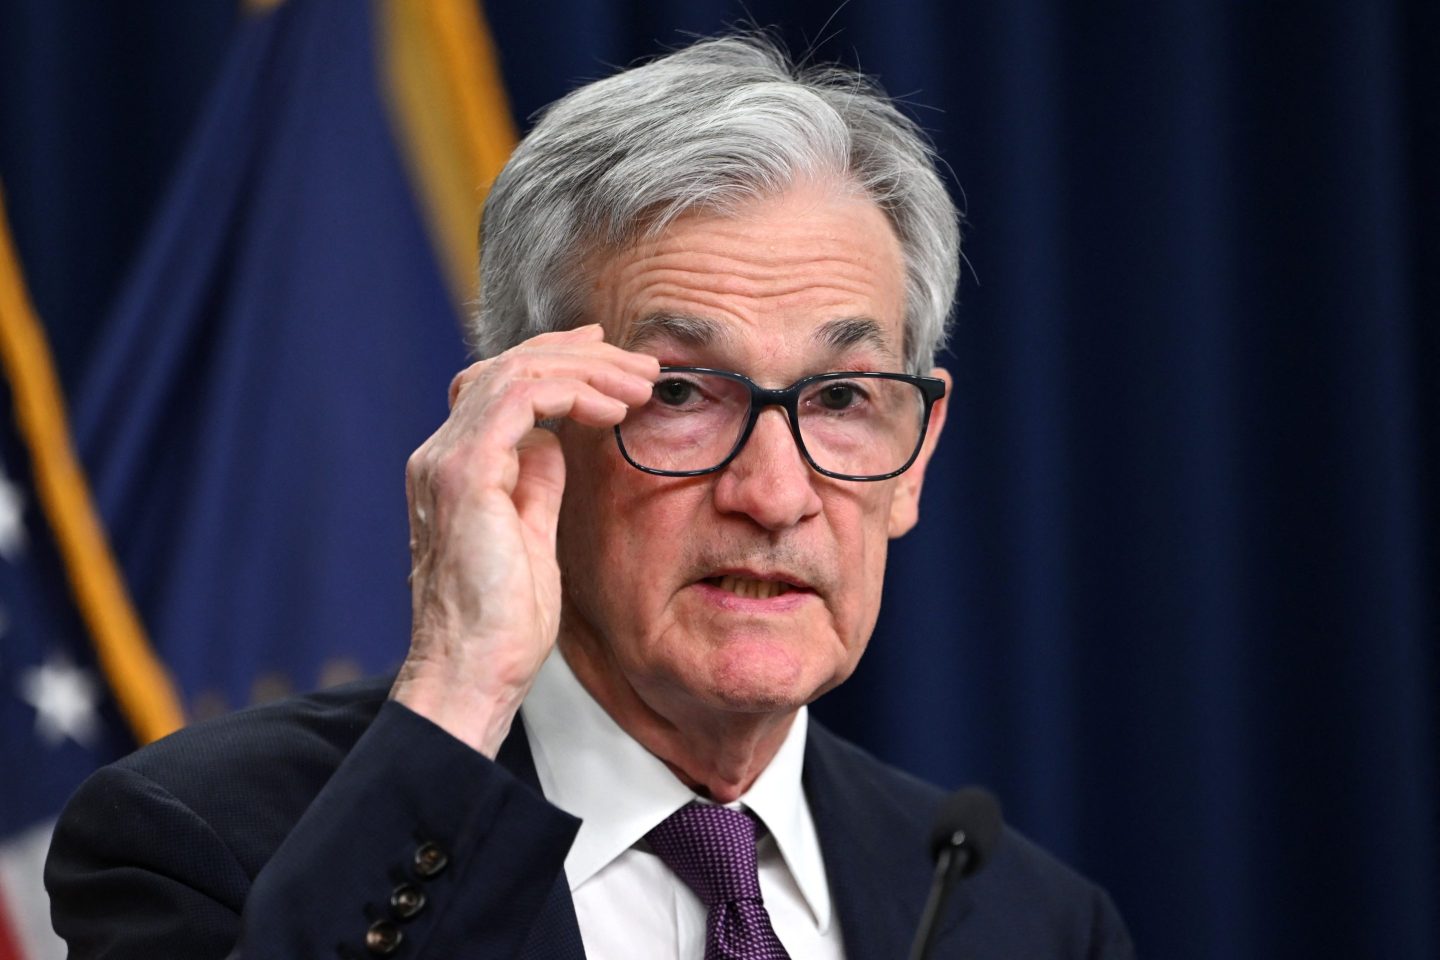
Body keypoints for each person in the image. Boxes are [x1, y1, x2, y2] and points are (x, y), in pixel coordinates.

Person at [46, 34, 1134, 959]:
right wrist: (459, 686)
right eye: (678, 393)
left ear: (918, 451)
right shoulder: (198, 844)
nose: (773, 493)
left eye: (843, 394)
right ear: (526, 423)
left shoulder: (1025, 920)